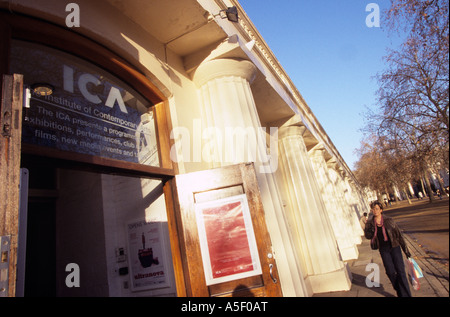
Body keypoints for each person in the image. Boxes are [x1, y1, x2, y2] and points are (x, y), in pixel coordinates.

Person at [364, 200, 412, 297]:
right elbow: (368, 236)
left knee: (401, 271)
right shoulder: (370, 223)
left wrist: (406, 251)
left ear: (381, 210)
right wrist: (369, 229)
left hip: (395, 247)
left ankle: (406, 295)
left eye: (377, 209)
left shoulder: (389, 220)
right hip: (383, 249)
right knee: (390, 272)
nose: (375, 211)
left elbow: (398, 236)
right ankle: (399, 289)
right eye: (373, 209)